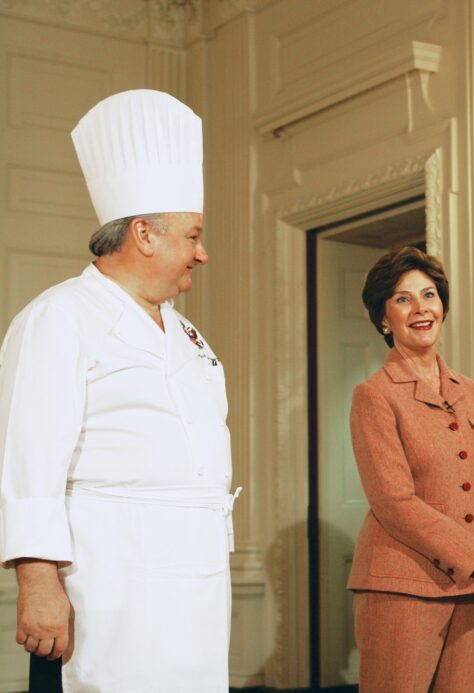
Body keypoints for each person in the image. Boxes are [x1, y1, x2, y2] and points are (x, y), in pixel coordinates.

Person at [0, 89, 240, 691]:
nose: (202, 253)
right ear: (145, 234)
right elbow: (25, 460)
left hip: (196, 585)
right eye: (193, 235)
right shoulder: (59, 316)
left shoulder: (187, 333)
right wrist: (37, 583)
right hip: (109, 583)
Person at [349, 246, 474, 691]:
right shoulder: (375, 396)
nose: (421, 308)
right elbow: (392, 500)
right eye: (403, 299)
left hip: (472, 591)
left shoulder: (473, 392)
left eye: (429, 295)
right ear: (384, 318)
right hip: (400, 588)